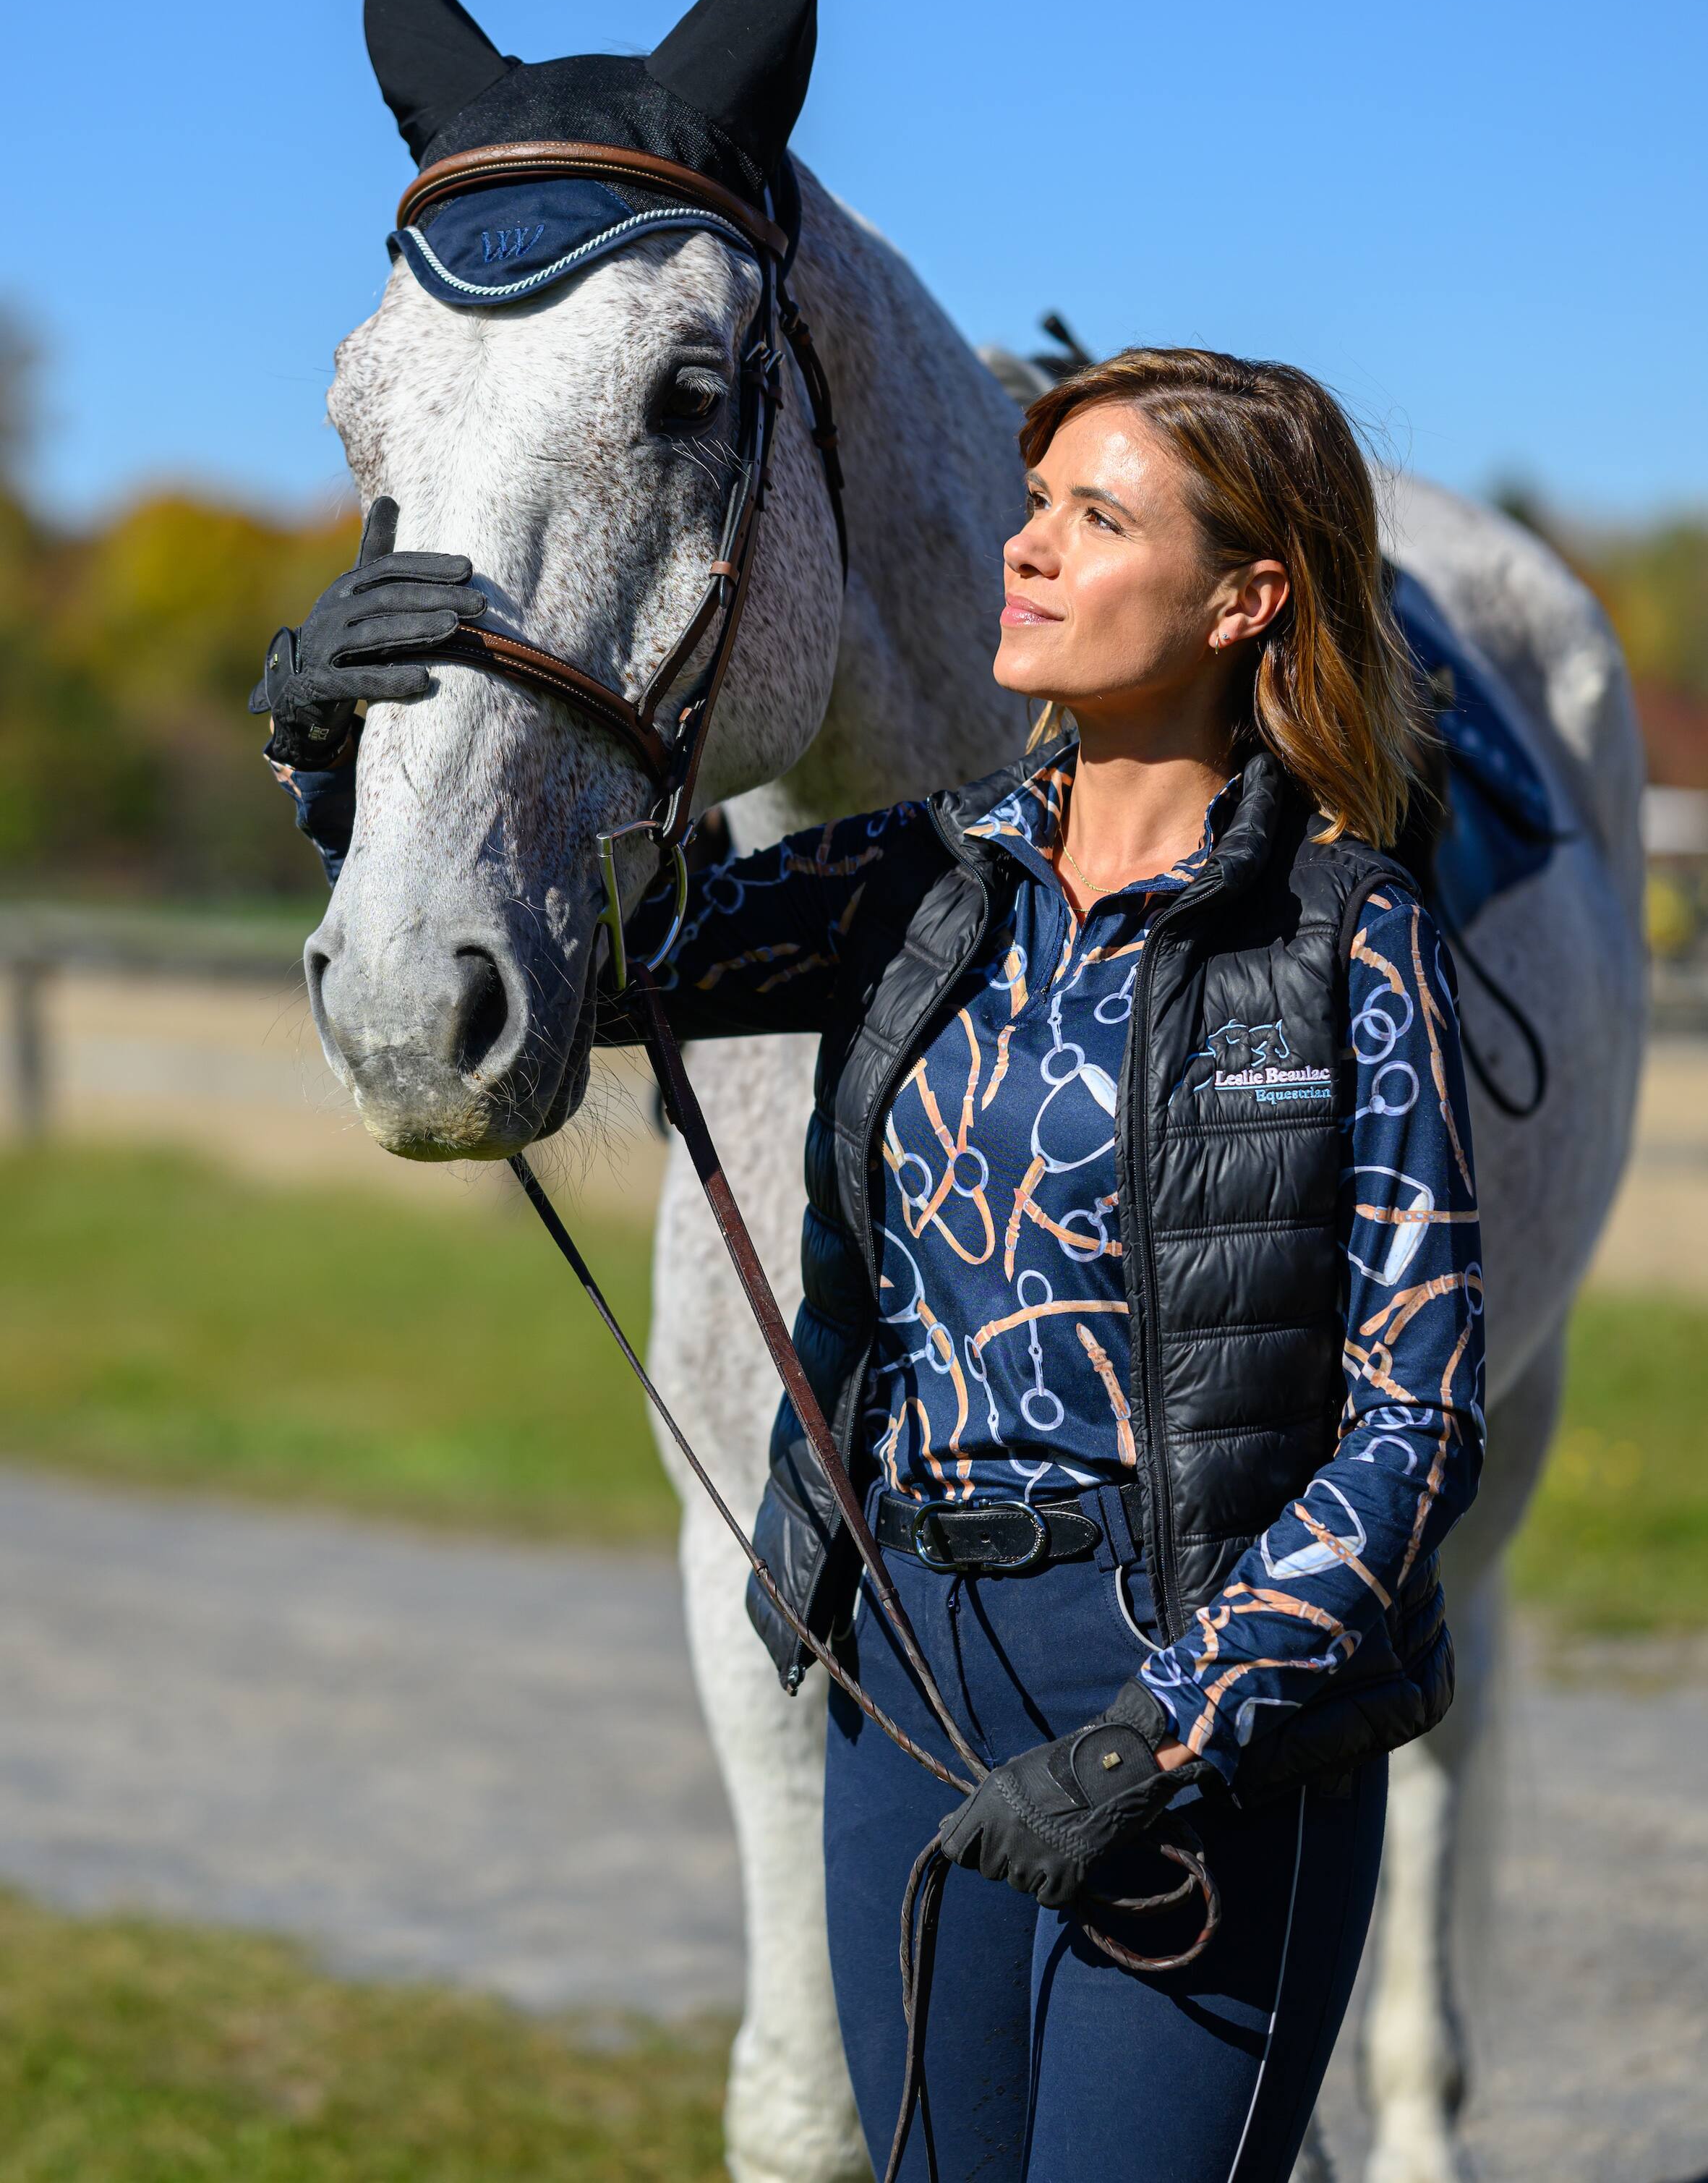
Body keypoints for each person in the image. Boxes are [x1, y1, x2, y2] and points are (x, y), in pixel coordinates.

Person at [257, 347, 1483, 2183]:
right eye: (1031, 502)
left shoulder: (1345, 938)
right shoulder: (920, 875)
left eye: (1095, 515)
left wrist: (1168, 1731)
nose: (1026, 549)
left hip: (1200, 1708)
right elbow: (577, 974)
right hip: (911, 1660)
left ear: (1244, 599)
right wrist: (339, 761)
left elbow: (1412, 1413)